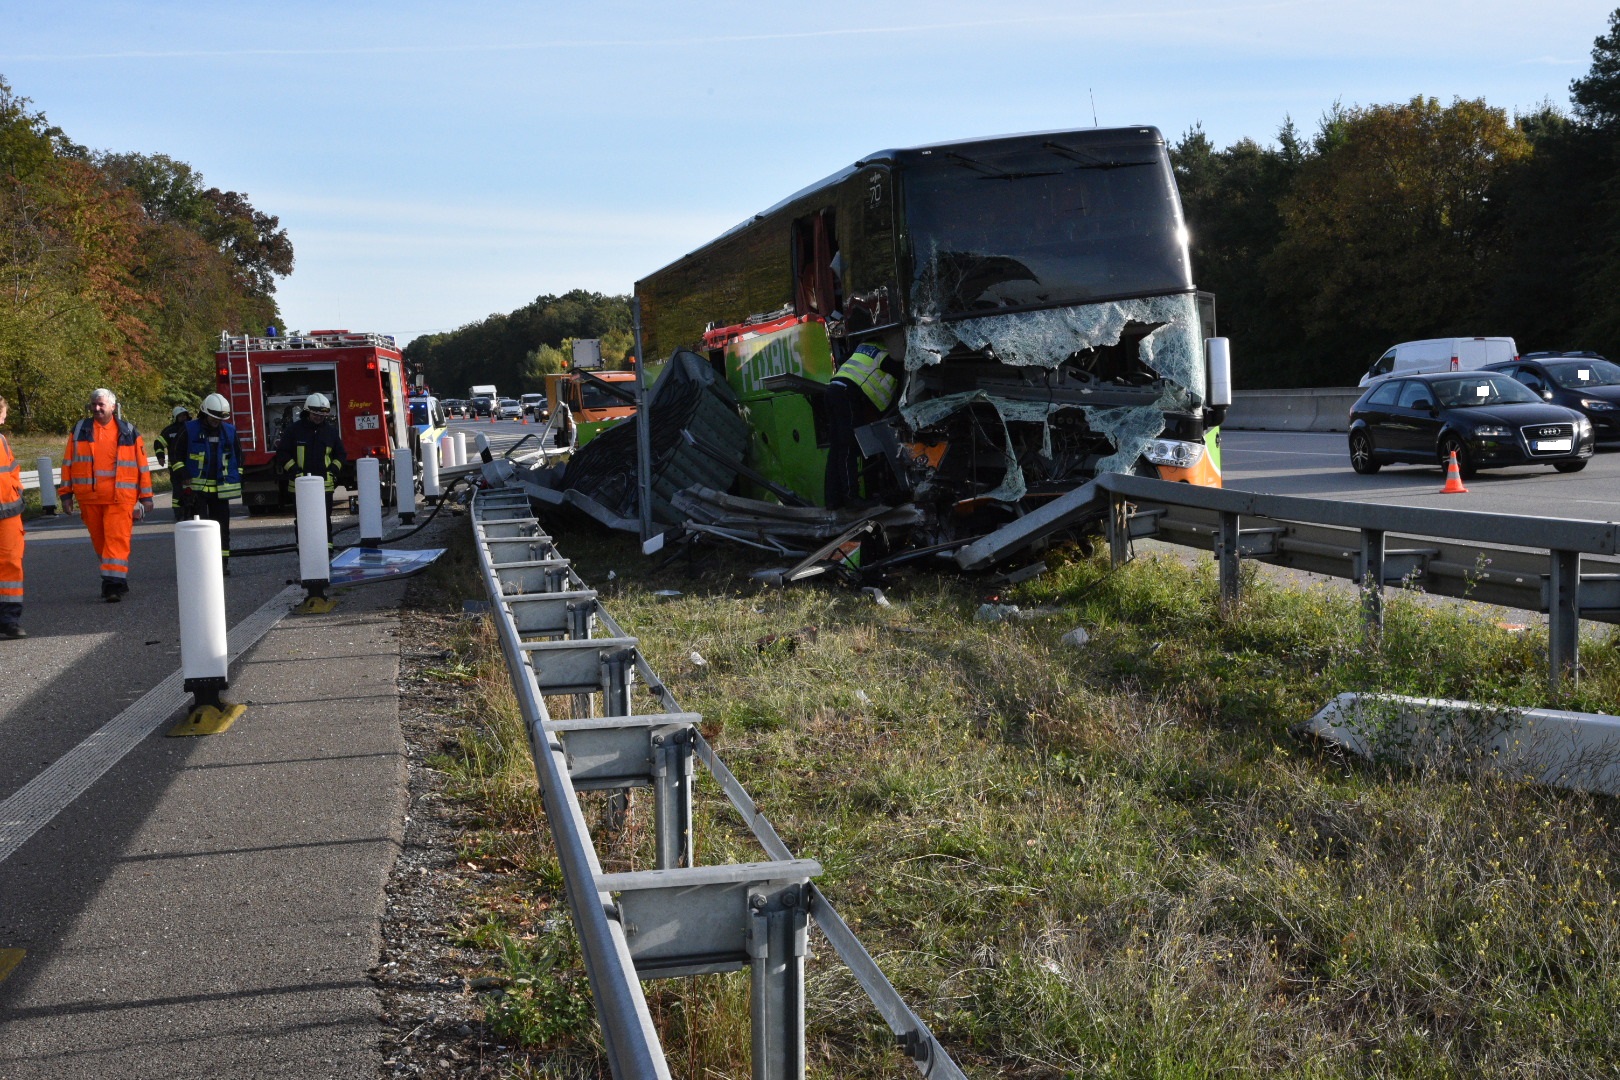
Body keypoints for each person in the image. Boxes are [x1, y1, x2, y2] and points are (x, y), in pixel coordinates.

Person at [58, 388, 154, 602]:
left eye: (101, 404)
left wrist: (146, 496)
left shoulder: (128, 431)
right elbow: (68, 464)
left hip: (120, 498)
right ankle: (117, 578)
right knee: (101, 543)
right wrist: (66, 495)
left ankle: (112, 586)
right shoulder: (81, 430)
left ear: (113, 406)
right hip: (89, 498)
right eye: (94, 404)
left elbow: (142, 466)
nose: (97, 408)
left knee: (116, 542)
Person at [823, 337, 904, 510]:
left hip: (833, 390)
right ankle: (851, 498)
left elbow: (844, 361)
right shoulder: (887, 357)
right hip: (847, 394)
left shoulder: (863, 347)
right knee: (848, 448)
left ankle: (832, 500)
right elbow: (904, 373)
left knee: (837, 448)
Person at [172, 393, 243, 576]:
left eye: (220, 418)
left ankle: (222, 564)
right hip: (197, 491)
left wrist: (237, 477)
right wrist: (183, 473)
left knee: (222, 528)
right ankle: (202, 564)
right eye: (214, 417)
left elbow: (238, 457)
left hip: (221, 489)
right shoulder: (189, 429)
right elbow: (176, 455)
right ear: (204, 412)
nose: (216, 421)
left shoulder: (229, 431)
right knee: (201, 529)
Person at [274, 392, 346, 546]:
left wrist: (333, 470)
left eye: (322, 415)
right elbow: (282, 453)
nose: (319, 418)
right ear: (307, 412)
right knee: (303, 521)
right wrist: (294, 471)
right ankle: (305, 550)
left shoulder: (330, 432)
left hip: (324, 485)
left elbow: (341, 454)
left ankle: (326, 550)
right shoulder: (294, 431)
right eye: (315, 414)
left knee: (324, 520)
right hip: (300, 486)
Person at [0, 395, 24, 638]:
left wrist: (17, 491)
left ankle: (9, 620)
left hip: (8, 513)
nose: (5, 417)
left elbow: (12, 470)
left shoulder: (2, 441)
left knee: (11, 566)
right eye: (4, 413)